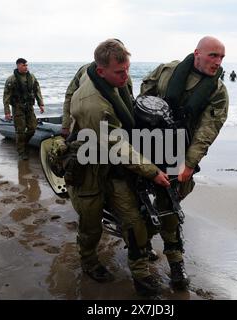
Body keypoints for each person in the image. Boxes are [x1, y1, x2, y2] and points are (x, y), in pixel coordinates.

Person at [68, 39, 170, 296]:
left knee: (134, 219)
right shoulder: (92, 102)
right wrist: (152, 171)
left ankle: (141, 274)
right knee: (91, 223)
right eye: (119, 72)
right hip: (88, 163)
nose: (126, 77)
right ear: (100, 70)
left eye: (127, 70)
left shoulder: (119, 82)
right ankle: (89, 261)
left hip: (114, 163)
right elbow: (117, 146)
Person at [140, 35, 229, 290]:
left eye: (222, 57)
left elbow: (208, 130)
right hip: (147, 143)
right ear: (197, 53)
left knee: (170, 207)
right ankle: (142, 246)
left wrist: (189, 165)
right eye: (213, 55)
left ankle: (176, 265)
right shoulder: (167, 71)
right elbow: (143, 97)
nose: (218, 61)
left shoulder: (218, 91)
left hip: (179, 154)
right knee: (137, 200)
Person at [3, 58, 45, 160]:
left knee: (32, 128)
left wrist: (41, 104)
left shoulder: (31, 77)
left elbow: (37, 90)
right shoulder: (11, 79)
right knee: (20, 130)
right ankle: (21, 152)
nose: (26, 67)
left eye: (27, 65)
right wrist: (7, 112)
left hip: (29, 107)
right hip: (18, 107)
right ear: (18, 66)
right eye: (24, 65)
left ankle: (23, 144)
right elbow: (6, 97)